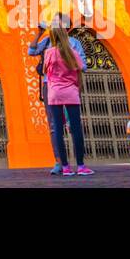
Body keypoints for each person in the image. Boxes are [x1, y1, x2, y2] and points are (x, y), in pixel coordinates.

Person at [28, 14, 87, 175]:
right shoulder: (47, 43)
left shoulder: (74, 44)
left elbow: (83, 65)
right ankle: (60, 162)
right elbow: (31, 51)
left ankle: (79, 163)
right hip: (52, 88)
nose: (53, 26)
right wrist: (39, 33)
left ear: (66, 27)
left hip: (68, 87)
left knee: (73, 125)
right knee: (55, 126)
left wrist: (63, 63)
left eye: (57, 23)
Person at [43, 24, 93, 176]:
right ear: (65, 36)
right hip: (71, 92)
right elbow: (80, 70)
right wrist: (76, 87)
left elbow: (46, 72)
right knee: (76, 129)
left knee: (58, 130)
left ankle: (65, 167)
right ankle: (81, 166)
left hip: (54, 93)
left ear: (52, 37)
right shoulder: (72, 53)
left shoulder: (49, 53)